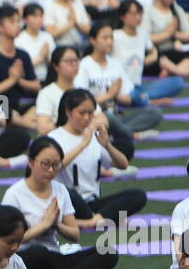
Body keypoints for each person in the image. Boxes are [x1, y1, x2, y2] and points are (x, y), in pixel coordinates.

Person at [1, 136, 121, 269]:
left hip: (56, 256)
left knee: (108, 252)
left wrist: (57, 224)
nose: (51, 170)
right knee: (37, 253)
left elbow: (74, 235)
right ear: (31, 163)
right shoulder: (14, 194)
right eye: (45, 164)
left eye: (56, 165)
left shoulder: (60, 190)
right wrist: (44, 224)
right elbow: (6, 243)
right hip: (26, 258)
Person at [47, 87, 147, 225]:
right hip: (67, 203)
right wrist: (82, 145)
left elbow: (123, 165)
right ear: (68, 111)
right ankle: (99, 220)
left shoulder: (93, 136)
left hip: (92, 203)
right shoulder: (54, 138)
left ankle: (95, 219)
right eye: (82, 113)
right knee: (67, 192)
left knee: (138, 195)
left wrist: (107, 145)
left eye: (90, 113)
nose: (87, 118)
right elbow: (51, 169)